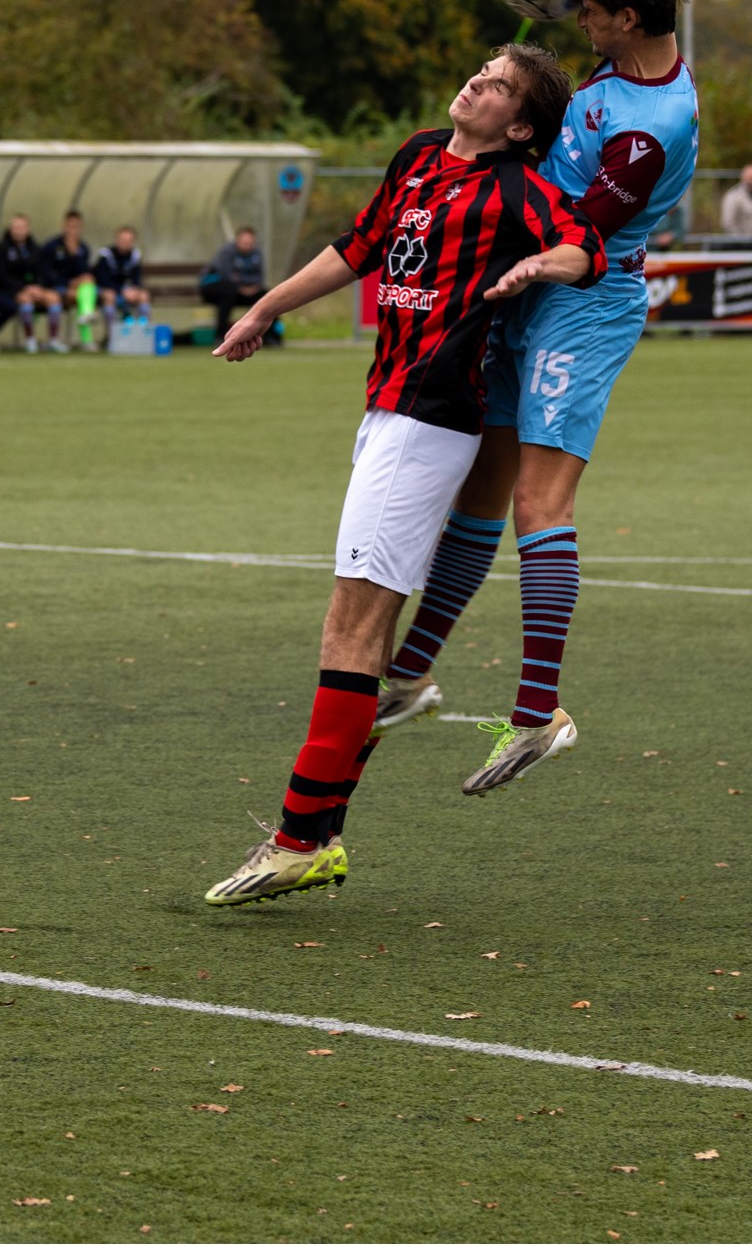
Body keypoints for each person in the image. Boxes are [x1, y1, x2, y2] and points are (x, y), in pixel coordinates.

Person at [202, 44, 605, 906]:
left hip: (431, 421)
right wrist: (267, 307)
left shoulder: (517, 191)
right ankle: (320, 832)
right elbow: (361, 245)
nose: (476, 83)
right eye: (481, 71)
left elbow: (585, 249)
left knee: (351, 626)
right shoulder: (421, 153)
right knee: (365, 633)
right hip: (386, 408)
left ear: (522, 125)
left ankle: (300, 837)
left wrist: (542, 264)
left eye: (499, 85)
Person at [367, 0, 699, 794]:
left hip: (581, 306)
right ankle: (409, 676)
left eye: (589, 8)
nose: (576, 17)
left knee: (538, 498)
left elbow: (583, 241)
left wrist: (527, 265)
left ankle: (538, 711)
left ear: (628, 17)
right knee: (482, 486)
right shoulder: (622, 69)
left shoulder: (651, 130)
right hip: (530, 295)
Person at [0, 213, 58, 353]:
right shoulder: (2, 248)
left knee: (53, 297)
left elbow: (41, 272)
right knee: (25, 301)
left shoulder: (35, 248)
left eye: (21, 227)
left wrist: (37, 287)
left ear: (28, 229)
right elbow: (2, 275)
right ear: (11, 229)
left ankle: (53, 340)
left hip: (33, 289)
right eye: (15, 227)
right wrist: (23, 289)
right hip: (11, 290)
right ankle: (30, 341)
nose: (18, 231)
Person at [201, 227, 271, 342]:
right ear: (237, 241)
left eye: (250, 243)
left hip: (246, 290)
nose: (247, 245)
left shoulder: (257, 253)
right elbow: (227, 276)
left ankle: (270, 337)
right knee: (227, 295)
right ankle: (221, 336)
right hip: (217, 290)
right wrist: (242, 285)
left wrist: (244, 283)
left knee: (269, 296)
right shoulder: (226, 252)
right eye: (244, 242)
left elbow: (259, 277)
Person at [41, 211, 97, 351]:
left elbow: (84, 271)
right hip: (56, 287)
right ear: (64, 226)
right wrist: (68, 284)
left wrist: (74, 254)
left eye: (76, 226)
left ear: (81, 227)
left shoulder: (83, 248)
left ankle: (86, 316)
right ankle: (86, 339)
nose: (73, 230)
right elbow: (46, 273)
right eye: (70, 226)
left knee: (87, 284)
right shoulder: (51, 246)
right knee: (84, 296)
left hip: (77, 289)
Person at [93, 225, 153, 344]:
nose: (125, 243)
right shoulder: (106, 255)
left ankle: (143, 335)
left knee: (144, 295)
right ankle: (111, 338)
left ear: (133, 242)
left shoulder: (135, 256)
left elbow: (137, 279)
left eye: (128, 241)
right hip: (107, 291)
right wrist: (122, 291)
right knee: (109, 296)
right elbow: (103, 280)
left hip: (125, 292)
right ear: (116, 240)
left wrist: (135, 290)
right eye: (122, 240)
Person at [718, 164, 752, 248]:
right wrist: (741, 240)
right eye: (750, 178)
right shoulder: (733, 196)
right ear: (742, 177)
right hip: (738, 246)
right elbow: (728, 222)